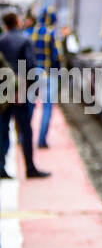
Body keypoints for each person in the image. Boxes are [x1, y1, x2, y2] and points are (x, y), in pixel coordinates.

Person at [0, 12, 50, 179]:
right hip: (21, 90)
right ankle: (30, 168)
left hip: (3, 90)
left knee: (2, 129)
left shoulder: (1, 40)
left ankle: (1, 168)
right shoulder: (25, 40)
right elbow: (30, 66)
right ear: (17, 22)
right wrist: (33, 90)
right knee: (26, 131)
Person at [31, 10, 61, 149]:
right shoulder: (52, 33)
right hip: (49, 74)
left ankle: (22, 137)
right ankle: (41, 140)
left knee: (30, 106)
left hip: (34, 73)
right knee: (47, 107)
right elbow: (57, 57)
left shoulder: (32, 32)